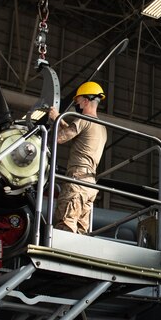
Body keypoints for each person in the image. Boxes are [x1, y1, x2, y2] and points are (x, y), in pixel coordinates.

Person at [46, 81, 107, 234]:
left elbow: (61, 138)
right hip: (90, 183)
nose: (76, 105)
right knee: (81, 229)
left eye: (78, 101)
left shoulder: (83, 119)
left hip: (77, 179)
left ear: (86, 101)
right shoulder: (101, 127)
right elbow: (77, 136)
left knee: (65, 222)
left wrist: (57, 118)